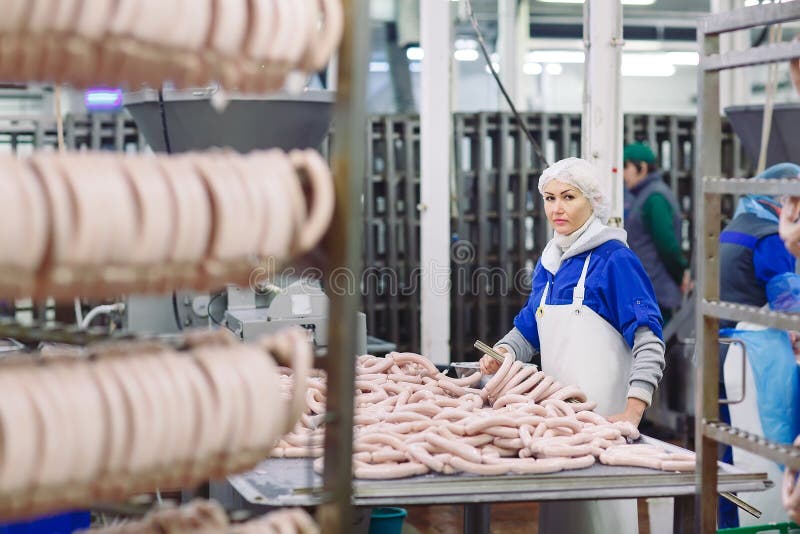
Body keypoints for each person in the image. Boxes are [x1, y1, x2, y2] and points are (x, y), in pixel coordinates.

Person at [480, 157, 666, 534]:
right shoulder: (550, 265)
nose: (557, 208)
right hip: (558, 429)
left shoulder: (616, 261)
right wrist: (502, 352)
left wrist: (632, 412)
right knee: (562, 519)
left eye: (568, 197)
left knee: (603, 520)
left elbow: (649, 340)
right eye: (549, 198)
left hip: (604, 426)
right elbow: (529, 330)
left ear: (592, 201)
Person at [717, 162, 800, 528]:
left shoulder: (733, 228)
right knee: (761, 453)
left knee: (725, 454)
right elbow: (788, 303)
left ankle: (727, 524)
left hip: (722, 355)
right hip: (755, 364)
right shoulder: (769, 235)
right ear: (783, 200)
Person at [622, 142, 691, 323]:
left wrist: (680, 274)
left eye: (626, 166)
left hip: (655, 293)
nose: (623, 174)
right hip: (645, 290)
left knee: (653, 344)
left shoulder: (655, 198)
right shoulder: (641, 196)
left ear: (642, 168)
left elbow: (667, 245)